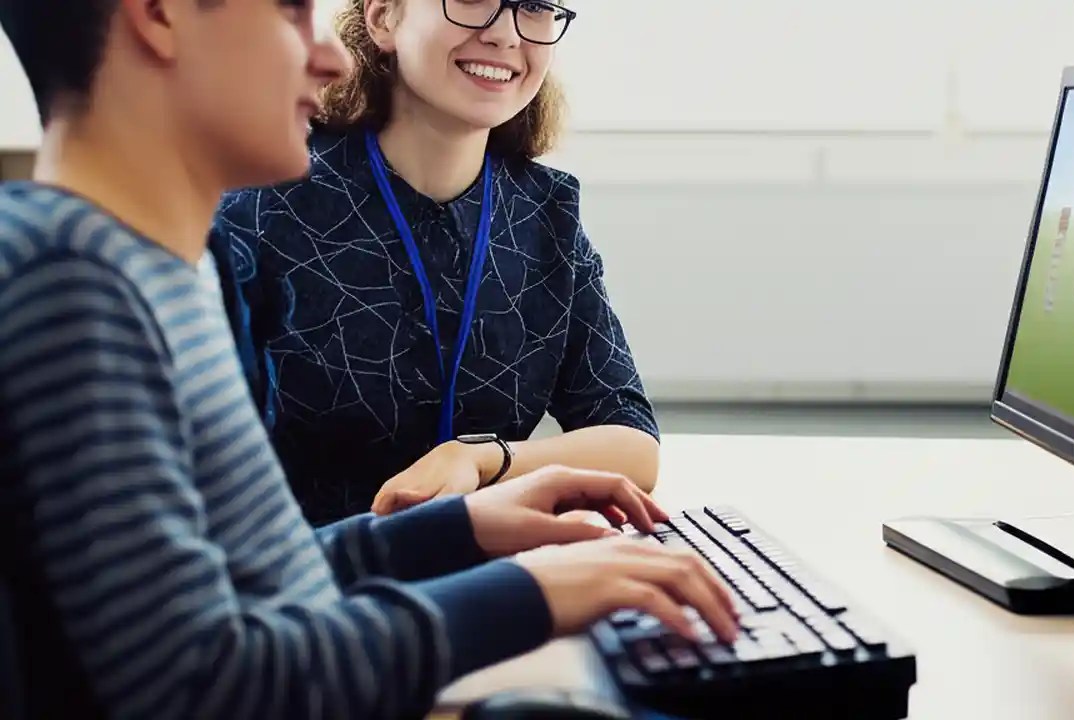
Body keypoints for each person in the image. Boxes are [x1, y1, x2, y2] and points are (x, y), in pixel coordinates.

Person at [0, 2, 736, 718]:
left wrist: (462, 529)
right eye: (290, 12)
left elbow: (261, 588)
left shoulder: (154, 272)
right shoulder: (73, 280)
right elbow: (203, 684)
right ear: (157, 15)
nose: (328, 55)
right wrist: (533, 596)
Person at [209, 0, 660, 526]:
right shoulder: (267, 197)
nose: (505, 35)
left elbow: (632, 442)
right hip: (303, 580)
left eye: (533, 6)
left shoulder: (545, 215)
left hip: (476, 566)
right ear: (383, 18)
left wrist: (480, 458)